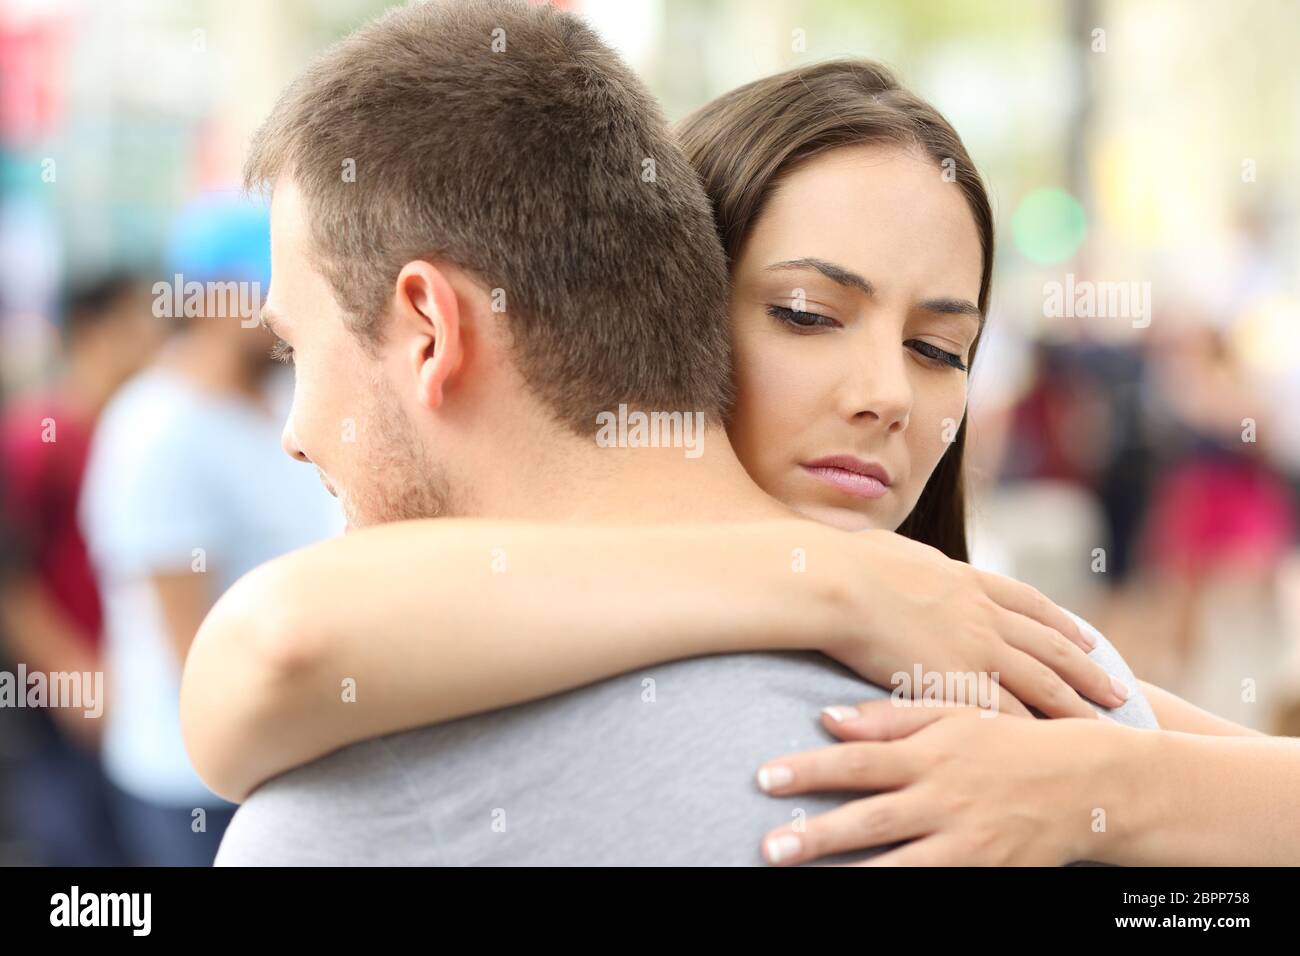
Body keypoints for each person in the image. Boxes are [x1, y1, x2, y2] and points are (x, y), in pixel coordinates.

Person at [186, 0, 1159, 867]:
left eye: (941, 347)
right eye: (809, 314)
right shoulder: (1053, 688)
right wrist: (829, 577)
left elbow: (270, 647)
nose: (883, 395)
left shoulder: (358, 809)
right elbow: (276, 641)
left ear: (432, 328)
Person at [78, 197, 340, 865]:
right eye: (266, 285)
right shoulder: (158, 430)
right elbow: (189, 650)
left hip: (284, 758)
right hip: (195, 778)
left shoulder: (283, 399)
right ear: (214, 295)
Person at [0, 274, 162, 865]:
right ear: (93, 332)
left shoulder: (134, 430)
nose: (154, 337)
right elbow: (11, 577)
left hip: (129, 686)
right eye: (137, 321)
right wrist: (69, 672)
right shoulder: (38, 439)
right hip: (69, 694)